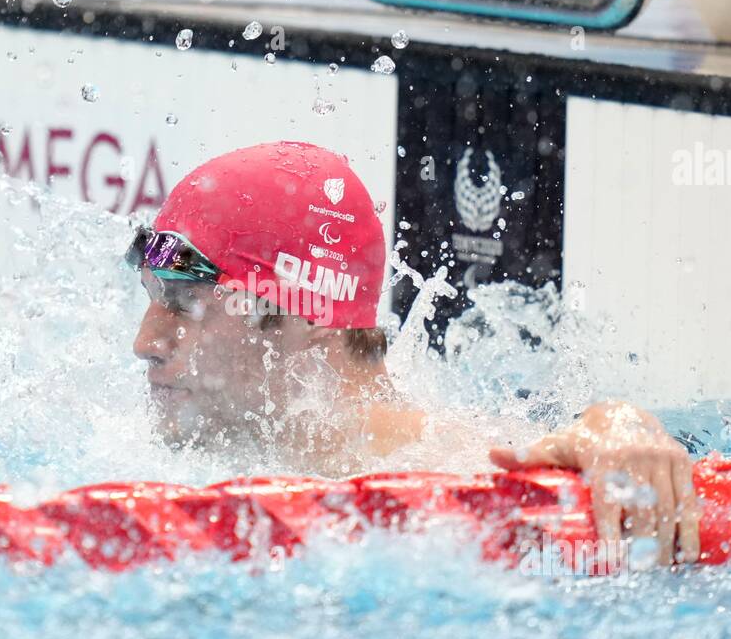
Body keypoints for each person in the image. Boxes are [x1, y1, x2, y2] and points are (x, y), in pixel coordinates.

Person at [128, 141, 700, 565]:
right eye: (153, 295)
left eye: (185, 302)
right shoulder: (221, 446)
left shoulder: (438, 465)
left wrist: (620, 428)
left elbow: (585, 445)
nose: (145, 344)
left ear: (308, 316)